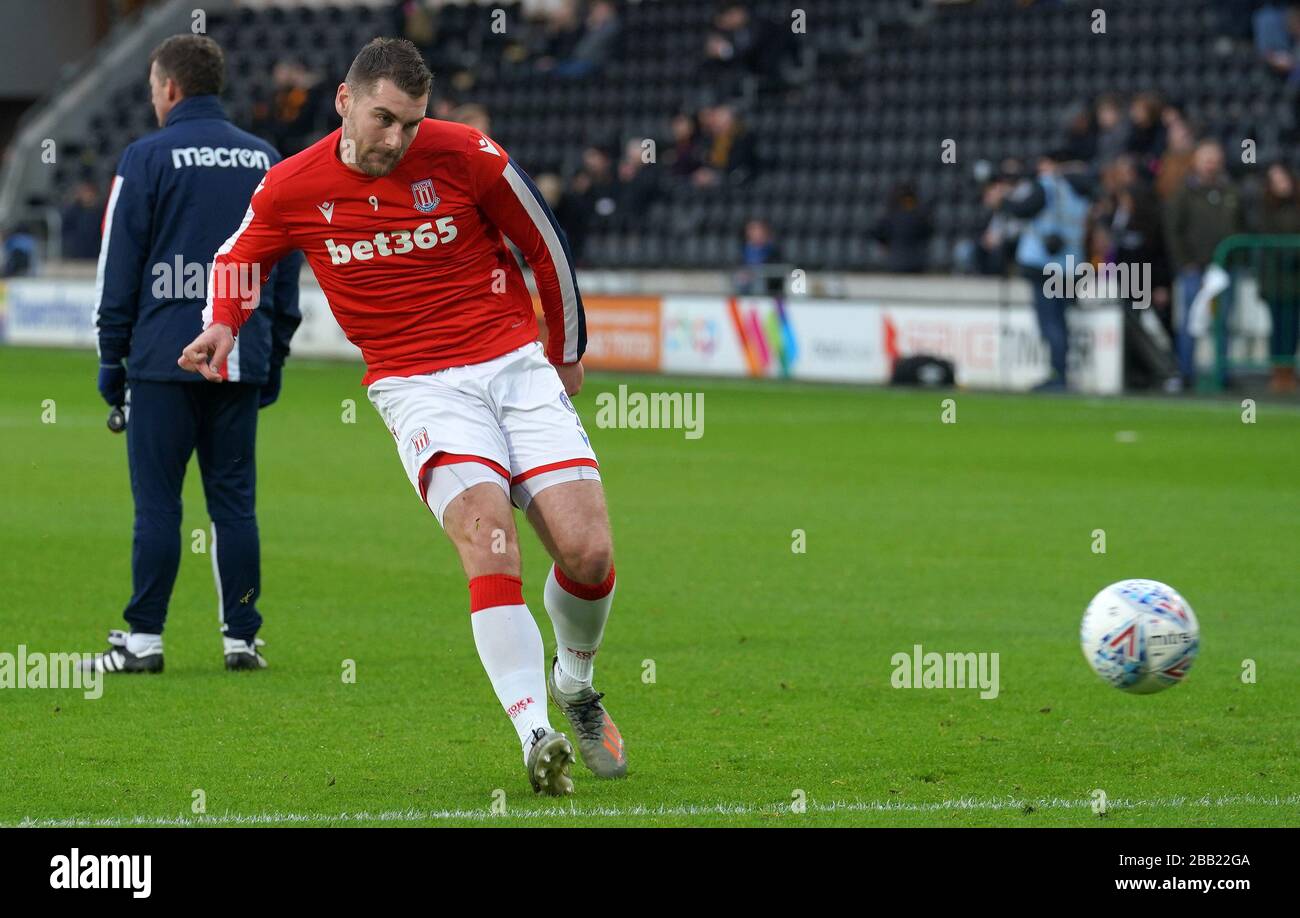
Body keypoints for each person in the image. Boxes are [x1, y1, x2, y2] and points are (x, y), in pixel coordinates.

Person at [178, 38, 625, 797]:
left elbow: (542, 244)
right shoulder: (292, 186)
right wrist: (224, 320)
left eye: (411, 124)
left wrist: (566, 349)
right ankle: (533, 732)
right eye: (384, 119)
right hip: (418, 387)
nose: (398, 139)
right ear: (345, 101)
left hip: (514, 364)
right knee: (491, 541)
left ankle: (575, 687)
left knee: (587, 554)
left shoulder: (465, 154)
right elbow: (238, 256)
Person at [84, 35, 302, 675]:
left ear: (170, 88)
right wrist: (275, 351)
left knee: (158, 504)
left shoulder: (145, 157)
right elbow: (286, 270)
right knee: (235, 504)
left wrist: (110, 356)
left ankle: (144, 641)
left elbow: (117, 267)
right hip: (239, 357)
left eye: (154, 88)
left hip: (161, 360)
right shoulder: (265, 158)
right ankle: (242, 639)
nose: (154, 99)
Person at [1003, 150, 1091, 390]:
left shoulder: (1048, 187)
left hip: (1044, 265)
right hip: (1071, 265)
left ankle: (1057, 376)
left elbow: (1022, 209)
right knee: (1060, 322)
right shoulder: (1080, 191)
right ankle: (1060, 373)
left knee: (1050, 323)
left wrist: (1003, 198)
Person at [1164, 140, 1243, 386]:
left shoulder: (1230, 191)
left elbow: (1240, 226)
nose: (1211, 163)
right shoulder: (1184, 193)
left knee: (1223, 322)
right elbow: (1173, 230)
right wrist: (1185, 262)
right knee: (1191, 321)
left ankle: (1222, 372)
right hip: (1194, 268)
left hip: (1224, 268)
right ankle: (1186, 372)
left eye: (1214, 158)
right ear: (1195, 161)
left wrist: (1234, 259)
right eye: (1206, 158)